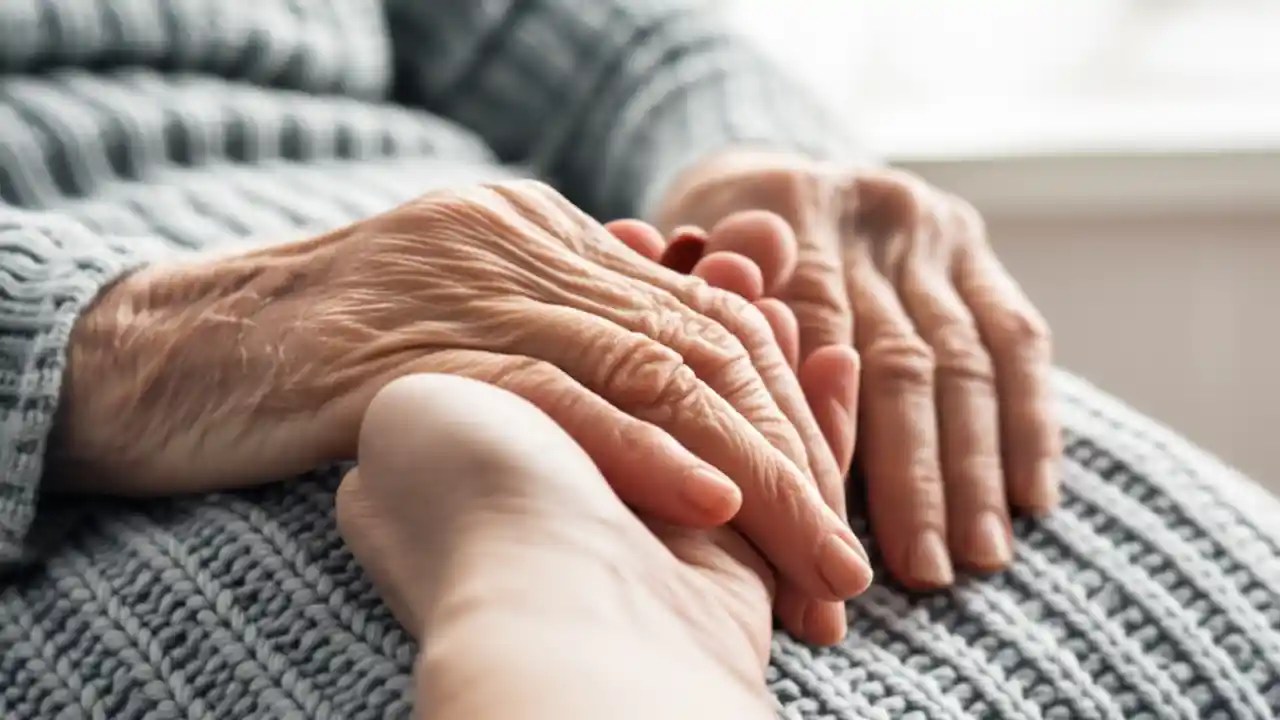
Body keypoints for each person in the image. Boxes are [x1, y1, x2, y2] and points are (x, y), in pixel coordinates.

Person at [1, 1, 1277, 718]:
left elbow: (631, 39)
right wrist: (120, 348)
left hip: (546, 288)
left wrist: (746, 169)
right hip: (171, 436)